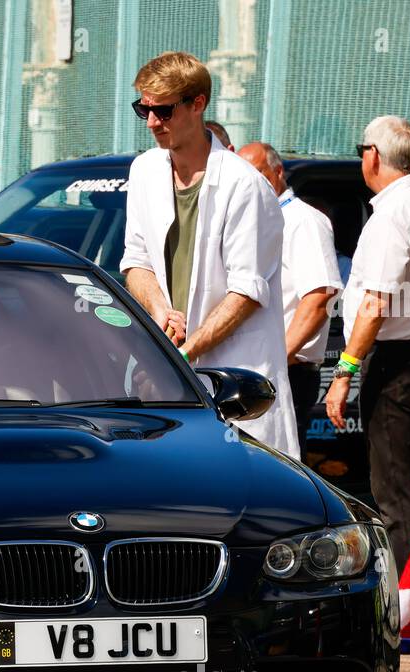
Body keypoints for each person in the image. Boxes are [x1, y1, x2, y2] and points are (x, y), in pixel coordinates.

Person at [120, 51, 298, 458]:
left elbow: (247, 291)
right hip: (169, 380)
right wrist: (161, 311)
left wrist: (183, 354)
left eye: (163, 111)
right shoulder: (144, 171)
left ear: (198, 104)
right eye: (143, 110)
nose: (151, 123)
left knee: (243, 488)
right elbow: (136, 262)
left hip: (237, 382)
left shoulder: (244, 184)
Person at [326, 115, 410, 566]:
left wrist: (345, 370)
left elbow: (375, 303)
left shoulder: (395, 213)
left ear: (374, 156)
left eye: (361, 150)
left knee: (397, 492)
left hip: (399, 360)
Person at [239, 141, 341, 458]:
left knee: (280, 468)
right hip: (254, 371)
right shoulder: (255, 221)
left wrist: (278, 359)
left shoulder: (303, 221)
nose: (251, 183)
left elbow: (320, 296)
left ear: (278, 172)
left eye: (258, 174)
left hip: (286, 373)